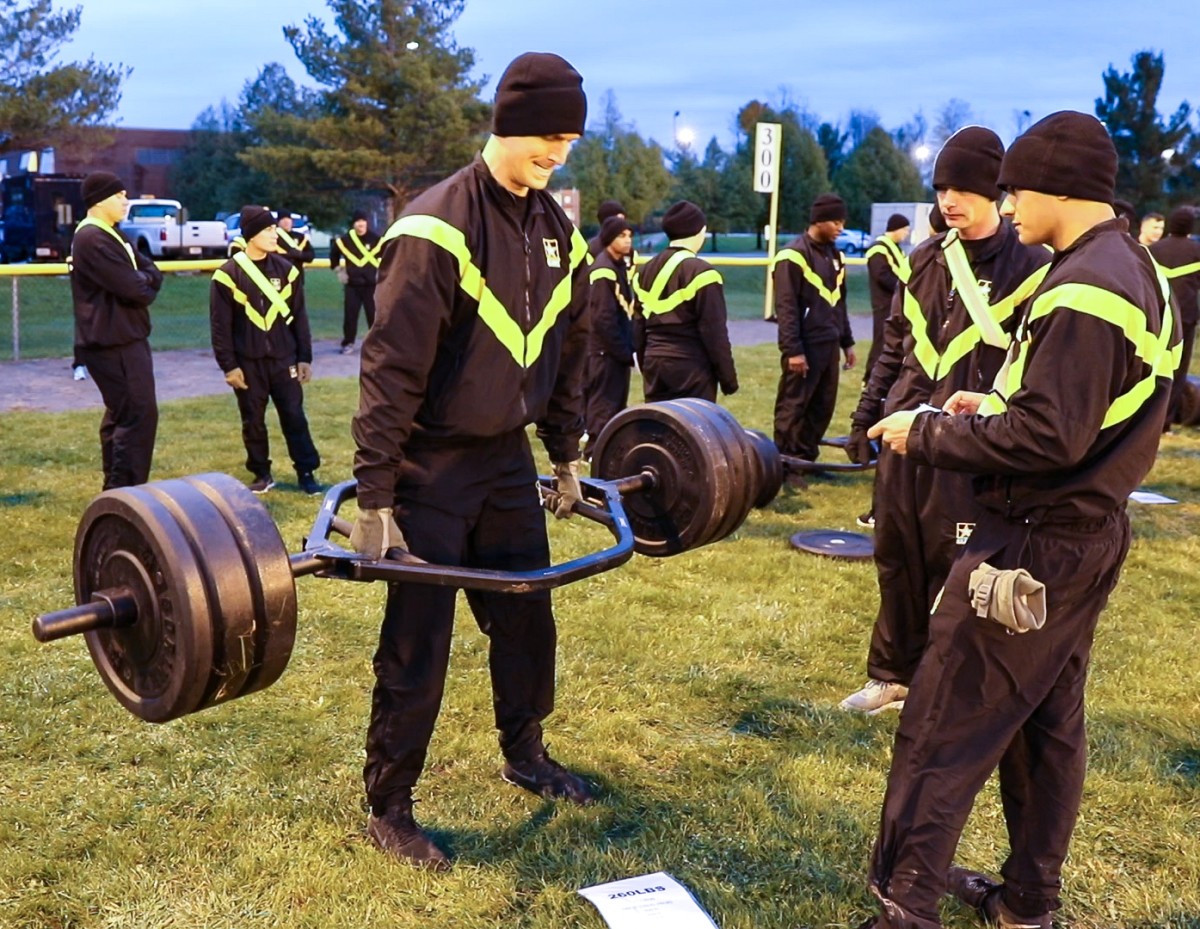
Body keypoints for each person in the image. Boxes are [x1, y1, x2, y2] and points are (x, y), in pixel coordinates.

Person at [861, 111, 1177, 929]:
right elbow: (1082, 406)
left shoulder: (1083, 284)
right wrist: (988, 403)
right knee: (1046, 730)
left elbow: (1049, 435)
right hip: (1085, 536)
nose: (1008, 203)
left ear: (1055, 189)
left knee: (942, 725)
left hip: (1033, 542)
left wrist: (931, 429)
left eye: (1014, 189)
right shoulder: (1134, 267)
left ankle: (904, 908)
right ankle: (1028, 901)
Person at [348, 51, 593, 871]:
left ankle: (525, 752)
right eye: (548, 136)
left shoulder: (558, 232)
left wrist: (564, 457)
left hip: (504, 465)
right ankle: (389, 803)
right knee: (420, 639)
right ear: (509, 122)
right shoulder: (432, 226)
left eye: (569, 140)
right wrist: (376, 496)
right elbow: (390, 371)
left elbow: (568, 354)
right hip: (430, 469)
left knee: (527, 613)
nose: (558, 154)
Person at [841, 127, 1051, 714]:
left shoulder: (1032, 264)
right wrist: (865, 417)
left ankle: (944, 686)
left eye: (961, 189)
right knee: (896, 553)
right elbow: (895, 346)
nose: (948, 201)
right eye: (940, 189)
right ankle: (890, 675)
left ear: (994, 191)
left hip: (968, 440)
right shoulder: (925, 258)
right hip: (906, 434)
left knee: (955, 568)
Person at [210, 205, 322, 496]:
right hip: (248, 362)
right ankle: (261, 473)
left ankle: (306, 472)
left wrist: (304, 357)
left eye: (275, 228)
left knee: (294, 416)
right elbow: (220, 327)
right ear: (250, 235)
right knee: (253, 420)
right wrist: (229, 366)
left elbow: (300, 316)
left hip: (284, 359)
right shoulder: (227, 275)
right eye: (268, 230)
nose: (276, 234)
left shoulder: (288, 271)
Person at [69, 171, 163, 489]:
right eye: (119, 195)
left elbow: (150, 272)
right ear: (99, 200)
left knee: (123, 414)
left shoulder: (113, 233)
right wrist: (145, 283)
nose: (126, 201)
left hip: (126, 337)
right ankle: (126, 497)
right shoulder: (92, 237)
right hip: (113, 341)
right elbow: (136, 288)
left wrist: (145, 281)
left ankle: (116, 492)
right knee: (137, 415)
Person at [772, 193, 856, 465]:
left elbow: (840, 303)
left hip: (829, 343)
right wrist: (793, 350)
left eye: (843, 222)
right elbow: (786, 309)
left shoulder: (836, 256)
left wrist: (847, 342)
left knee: (822, 405)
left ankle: (807, 459)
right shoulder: (792, 256)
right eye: (835, 221)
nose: (840, 228)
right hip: (804, 347)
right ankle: (786, 463)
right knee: (794, 405)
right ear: (818, 221)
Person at [633, 200, 738, 403]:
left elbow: (638, 327)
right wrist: (728, 379)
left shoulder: (644, 272)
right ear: (699, 231)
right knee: (693, 431)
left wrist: (646, 362)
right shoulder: (703, 273)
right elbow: (714, 332)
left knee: (659, 426)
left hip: (655, 362)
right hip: (691, 366)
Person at [584, 214, 638, 458]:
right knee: (603, 404)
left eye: (630, 236)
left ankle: (608, 451)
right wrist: (622, 350)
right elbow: (602, 318)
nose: (627, 241)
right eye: (621, 236)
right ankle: (594, 452)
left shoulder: (618, 266)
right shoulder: (603, 270)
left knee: (616, 404)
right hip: (604, 352)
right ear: (608, 239)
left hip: (615, 351)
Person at [1150, 206, 1200, 426]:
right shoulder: (1196, 251)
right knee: (1177, 370)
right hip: (1186, 318)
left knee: (1152, 364)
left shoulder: (1155, 249)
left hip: (1157, 315)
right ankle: (1166, 421)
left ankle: (1146, 417)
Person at [863, 213, 912, 382]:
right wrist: (903, 289)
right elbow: (882, 276)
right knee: (881, 341)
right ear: (896, 229)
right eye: (905, 230)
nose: (907, 233)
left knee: (892, 341)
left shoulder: (896, 248)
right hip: (884, 302)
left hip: (896, 303)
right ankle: (870, 377)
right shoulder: (878, 248)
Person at [330, 211, 381, 354]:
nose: (361, 224)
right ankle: (348, 343)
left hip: (371, 285)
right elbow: (333, 255)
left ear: (367, 222)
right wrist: (339, 271)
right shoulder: (345, 240)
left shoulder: (376, 239)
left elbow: (388, 256)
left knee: (373, 316)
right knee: (350, 315)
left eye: (363, 221)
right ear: (354, 224)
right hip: (352, 285)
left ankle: (376, 344)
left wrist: (382, 273)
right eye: (358, 221)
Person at [274, 208, 315, 280]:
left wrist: (299, 255)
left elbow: (310, 256)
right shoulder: (273, 237)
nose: (286, 221)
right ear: (278, 222)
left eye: (288, 219)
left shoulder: (301, 237)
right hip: (279, 275)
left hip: (298, 277)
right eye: (283, 219)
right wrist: (288, 255)